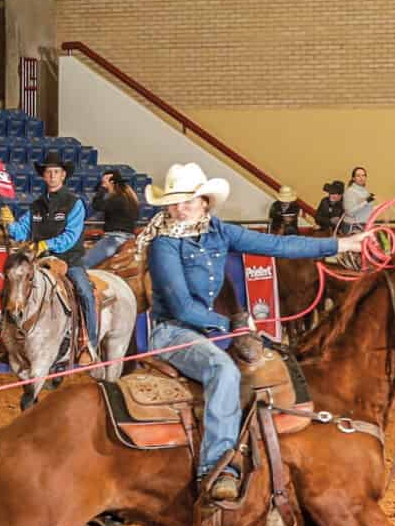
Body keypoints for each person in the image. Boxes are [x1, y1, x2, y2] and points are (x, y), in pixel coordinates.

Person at [140, 162, 379, 505]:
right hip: (174, 333)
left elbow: (278, 246)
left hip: (212, 332)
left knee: (275, 362)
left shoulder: (219, 231)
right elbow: (180, 307)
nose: (180, 207)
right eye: (175, 201)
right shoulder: (164, 244)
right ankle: (218, 468)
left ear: (205, 202)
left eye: (188, 200)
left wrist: (343, 246)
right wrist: (232, 326)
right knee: (221, 371)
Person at [7, 156, 98, 343]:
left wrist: (46, 244)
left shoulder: (74, 203)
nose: (52, 176)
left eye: (56, 172)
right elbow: (21, 231)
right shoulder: (36, 206)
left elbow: (71, 237)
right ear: (44, 176)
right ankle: (8, 340)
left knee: (85, 292)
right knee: (13, 287)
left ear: (63, 175)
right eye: (48, 172)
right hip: (39, 261)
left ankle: (90, 343)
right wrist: (9, 223)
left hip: (69, 260)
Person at [340, 165, 374, 235]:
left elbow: (366, 210)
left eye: (363, 175)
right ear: (353, 178)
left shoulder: (365, 191)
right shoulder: (350, 192)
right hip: (353, 227)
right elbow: (350, 212)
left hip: (364, 225)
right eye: (358, 176)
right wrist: (366, 201)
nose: (361, 178)